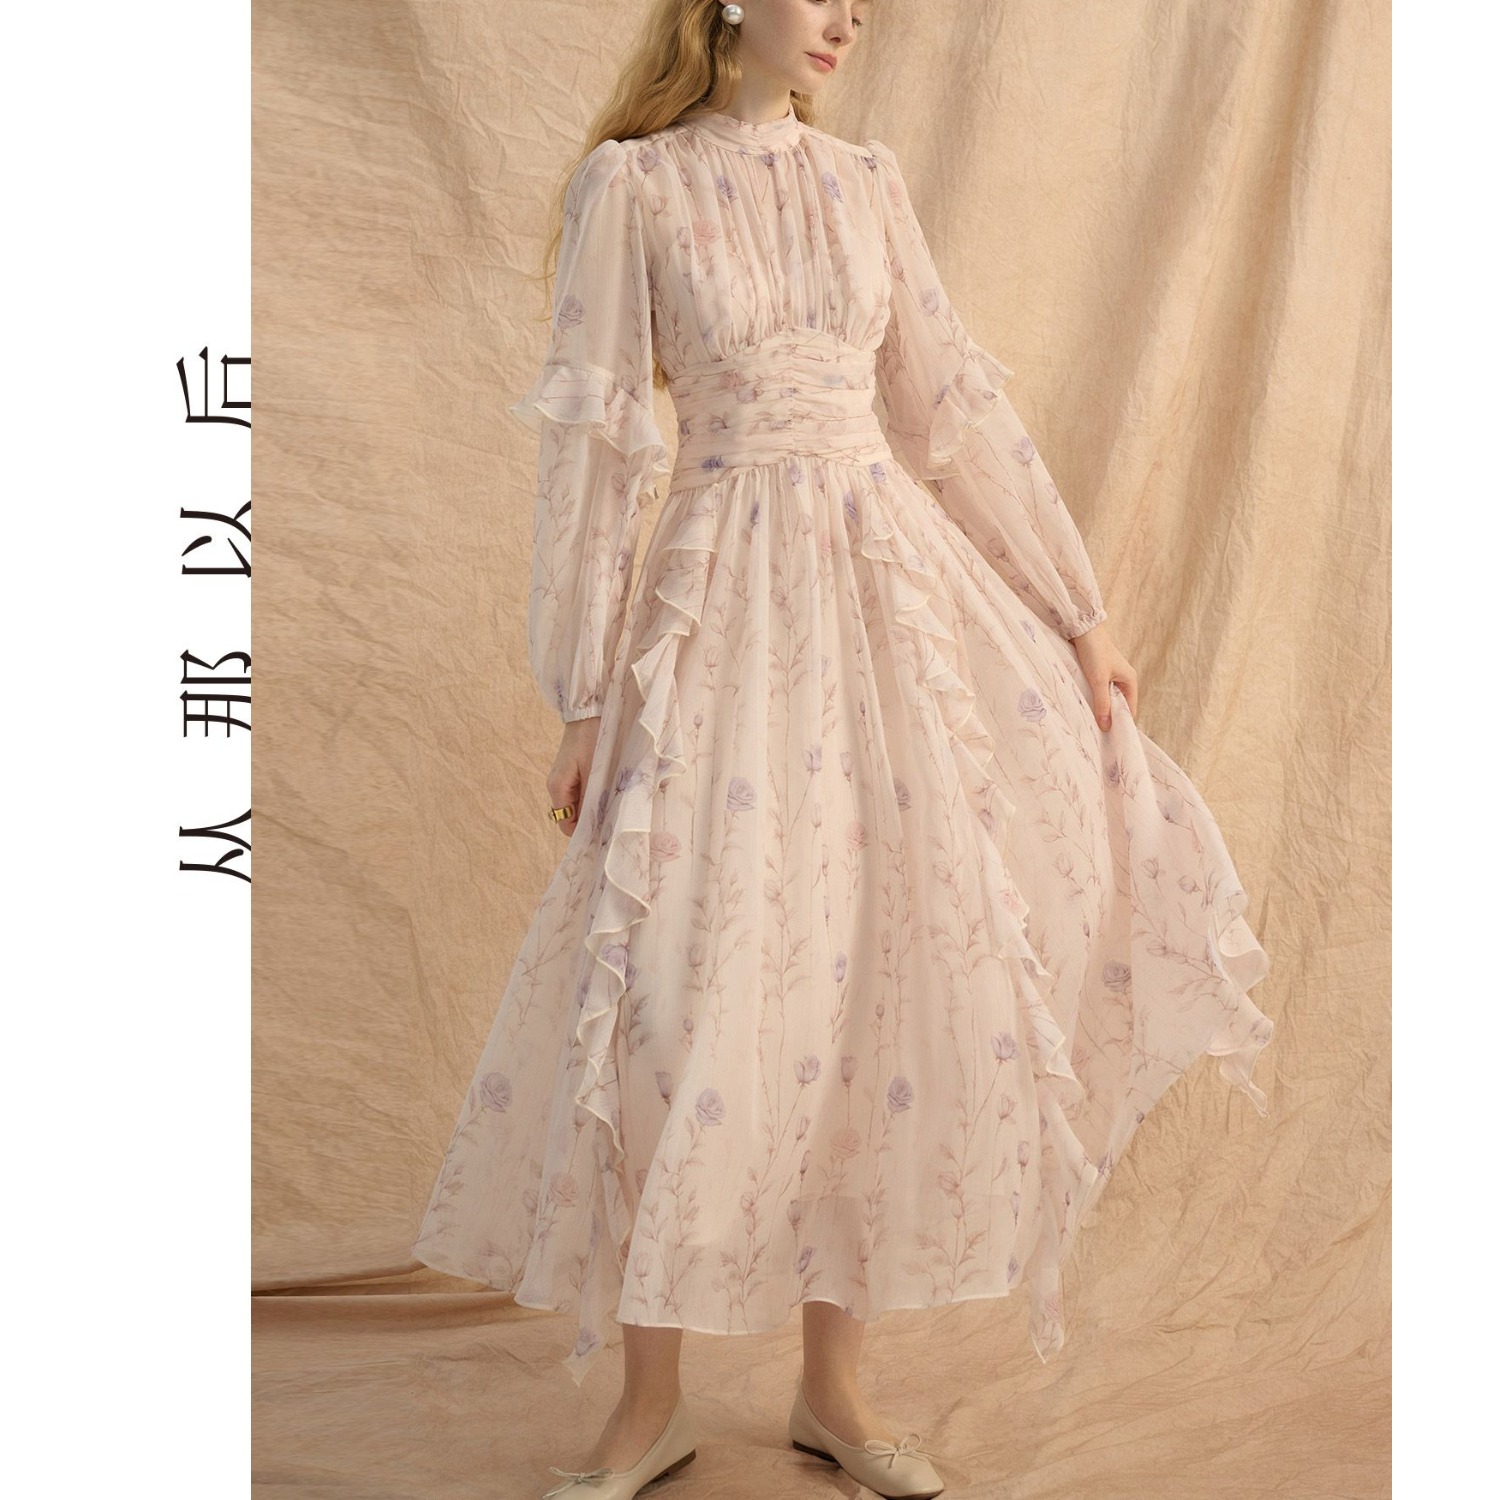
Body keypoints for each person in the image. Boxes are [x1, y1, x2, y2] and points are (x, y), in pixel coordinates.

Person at [413, 3, 1275, 1497]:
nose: (848, 15)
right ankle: (650, 1404)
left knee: (875, 970)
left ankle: (837, 1391)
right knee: (675, 985)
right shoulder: (634, 186)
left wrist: (1078, 613)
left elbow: (946, 410)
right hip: (722, 612)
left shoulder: (865, 182)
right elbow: (599, 452)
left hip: (887, 603)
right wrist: (585, 693)